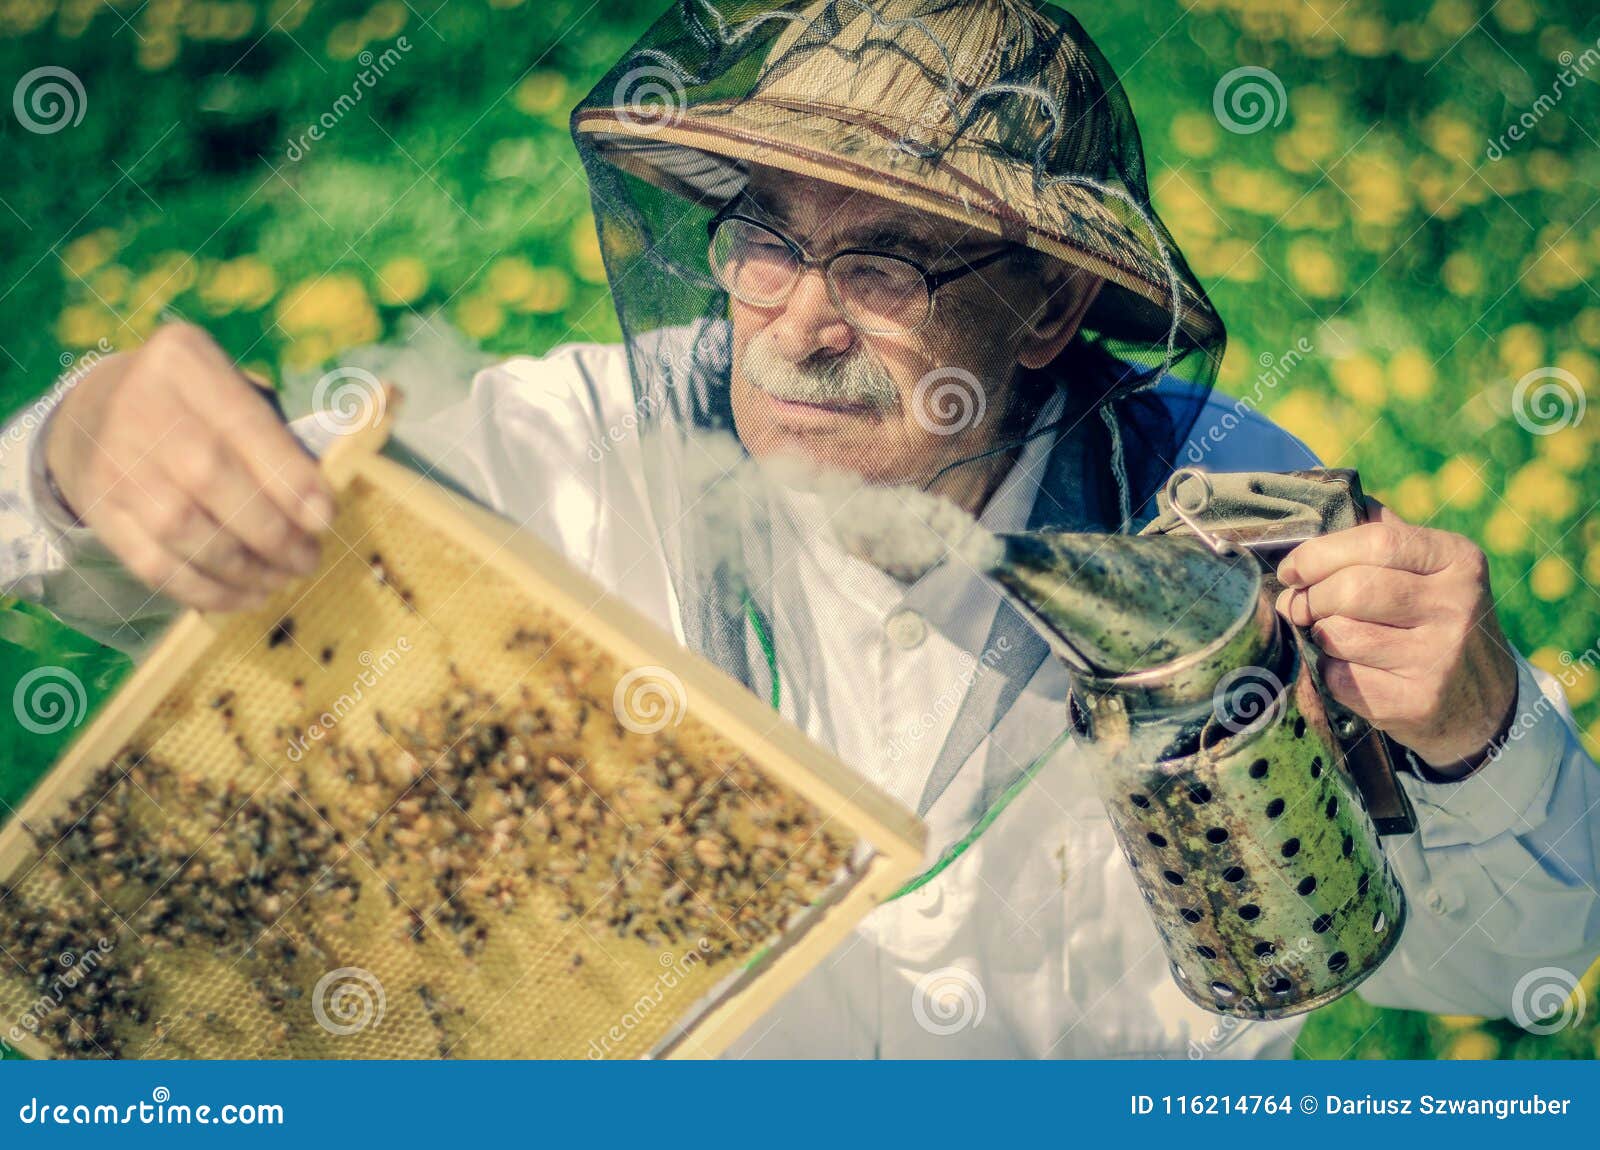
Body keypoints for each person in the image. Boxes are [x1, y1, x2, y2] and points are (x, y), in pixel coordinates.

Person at [2, 0, 1595, 1058]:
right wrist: (89, 444)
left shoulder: (1226, 517)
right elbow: (115, 540)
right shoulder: (564, 445)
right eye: (766, 241)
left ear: (1047, 302)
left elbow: (1500, 969)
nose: (798, 326)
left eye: (887, 265)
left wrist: (1475, 732)